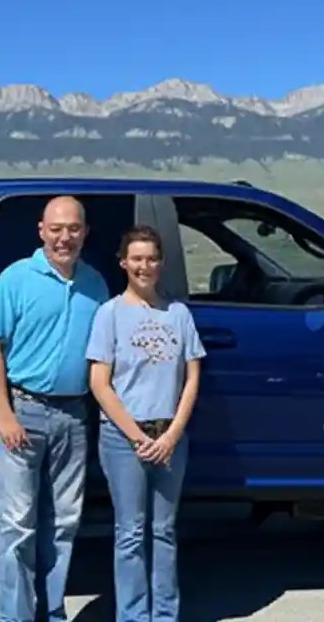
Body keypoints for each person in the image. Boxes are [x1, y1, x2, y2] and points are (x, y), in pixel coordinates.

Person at [0, 195, 110, 622]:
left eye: (73, 229)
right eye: (56, 229)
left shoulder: (96, 285)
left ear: (85, 233)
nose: (64, 238)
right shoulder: (16, 279)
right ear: (41, 231)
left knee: (63, 524)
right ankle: (16, 618)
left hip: (74, 417)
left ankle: (51, 612)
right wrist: (4, 412)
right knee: (17, 525)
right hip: (23, 411)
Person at [85, 224, 206, 622]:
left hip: (170, 435)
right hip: (125, 438)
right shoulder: (110, 315)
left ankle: (166, 614)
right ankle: (134, 616)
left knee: (165, 530)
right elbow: (100, 384)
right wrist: (138, 437)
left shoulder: (179, 314)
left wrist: (171, 434)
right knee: (130, 533)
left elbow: (191, 379)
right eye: (137, 258)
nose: (145, 266)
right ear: (124, 263)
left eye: (152, 258)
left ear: (162, 263)